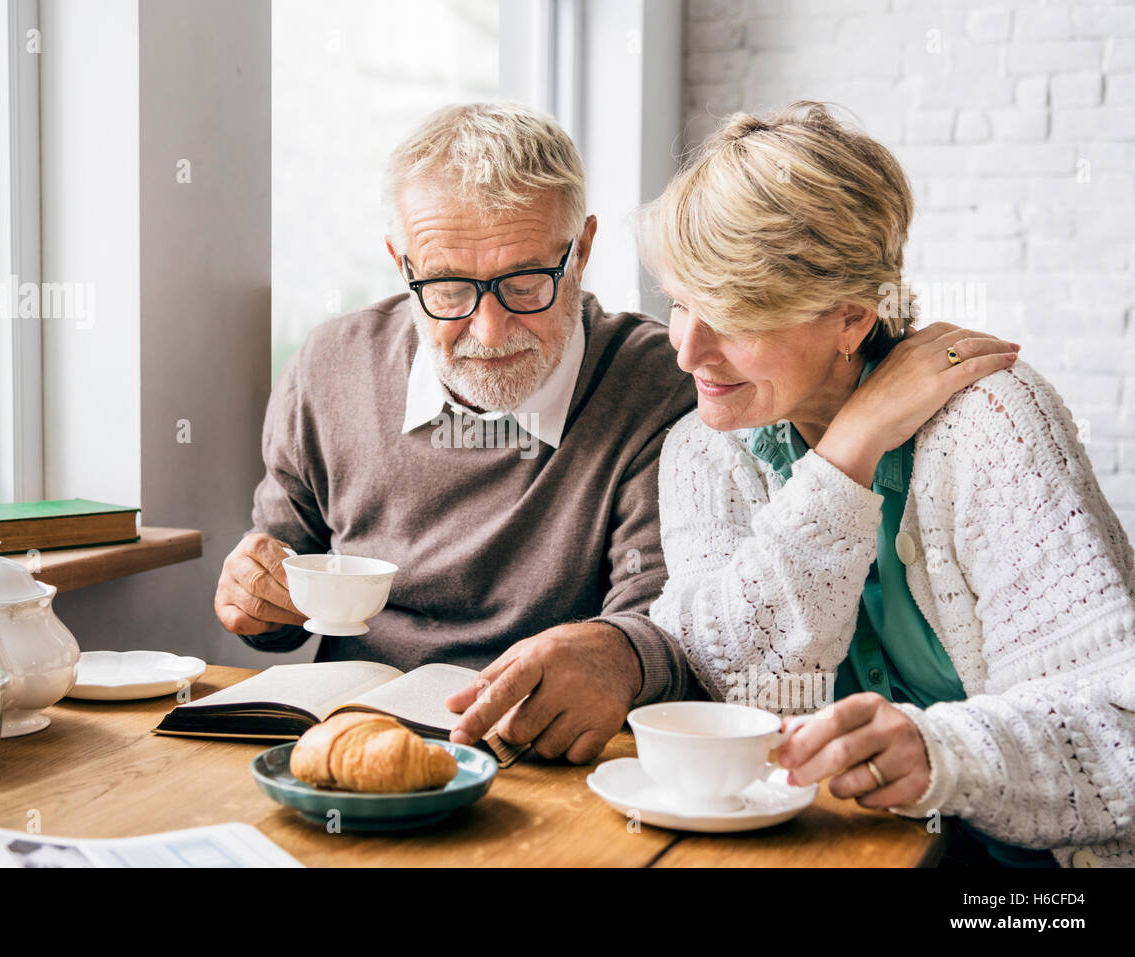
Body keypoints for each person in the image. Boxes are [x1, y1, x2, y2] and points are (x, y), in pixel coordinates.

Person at [642, 101, 1135, 867]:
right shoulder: (704, 451)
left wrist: (940, 752)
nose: (688, 351)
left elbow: (1119, 729)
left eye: (735, 314)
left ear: (850, 318)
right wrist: (849, 451)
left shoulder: (993, 421)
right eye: (680, 304)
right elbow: (731, 686)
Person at [215, 102, 697, 763]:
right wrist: (255, 593)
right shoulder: (330, 365)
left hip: (551, 757)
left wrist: (623, 653)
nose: (490, 331)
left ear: (581, 251)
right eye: (446, 288)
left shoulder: (656, 383)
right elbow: (283, 570)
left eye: (526, 283)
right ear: (401, 263)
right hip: (348, 746)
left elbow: (672, 623)